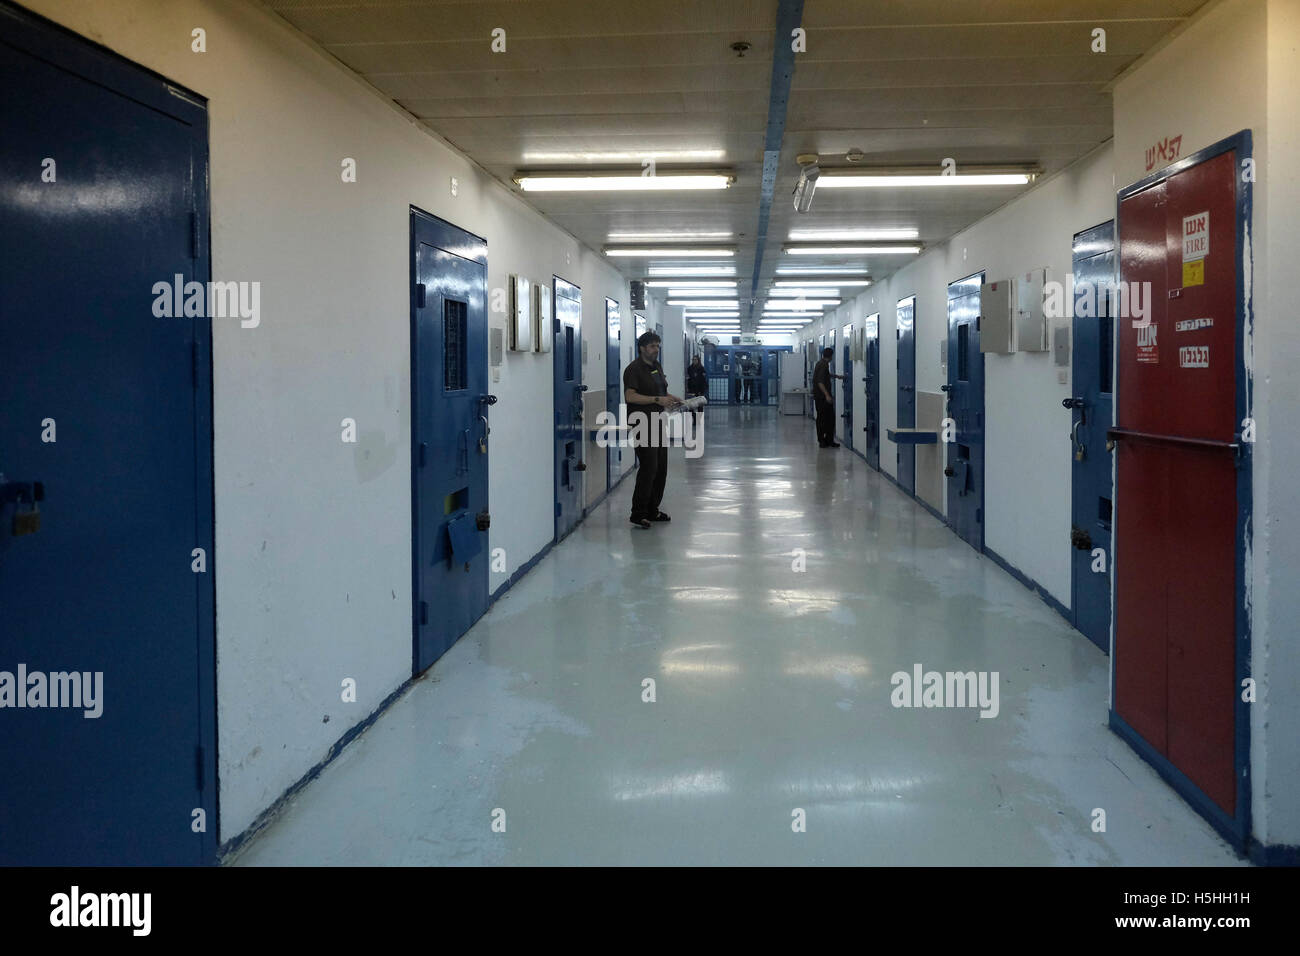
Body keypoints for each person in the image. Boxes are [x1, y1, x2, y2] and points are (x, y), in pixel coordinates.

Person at [623, 331, 682, 528]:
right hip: (642, 423)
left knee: (660, 469)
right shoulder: (634, 369)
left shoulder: (656, 366)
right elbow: (630, 396)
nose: (656, 349)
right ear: (642, 348)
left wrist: (672, 399)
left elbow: (661, 392)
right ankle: (638, 513)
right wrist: (657, 400)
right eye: (652, 346)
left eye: (658, 345)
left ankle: (652, 510)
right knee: (648, 469)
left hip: (658, 422)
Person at [812, 346, 844, 448]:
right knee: (823, 419)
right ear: (831, 356)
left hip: (820, 397)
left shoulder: (821, 363)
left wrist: (836, 376)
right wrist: (827, 395)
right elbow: (820, 382)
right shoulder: (823, 365)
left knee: (828, 418)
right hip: (822, 398)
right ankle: (823, 441)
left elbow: (825, 375)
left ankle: (828, 440)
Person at [686, 355, 708, 424]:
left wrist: (702, 391)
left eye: (695, 359)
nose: (694, 361)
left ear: (698, 361)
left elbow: (703, 381)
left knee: (699, 406)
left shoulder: (701, 368)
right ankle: (694, 420)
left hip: (699, 390)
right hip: (692, 390)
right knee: (691, 406)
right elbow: (689, 379)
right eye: (693, 359)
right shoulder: (689, 368)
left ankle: (699, 420)